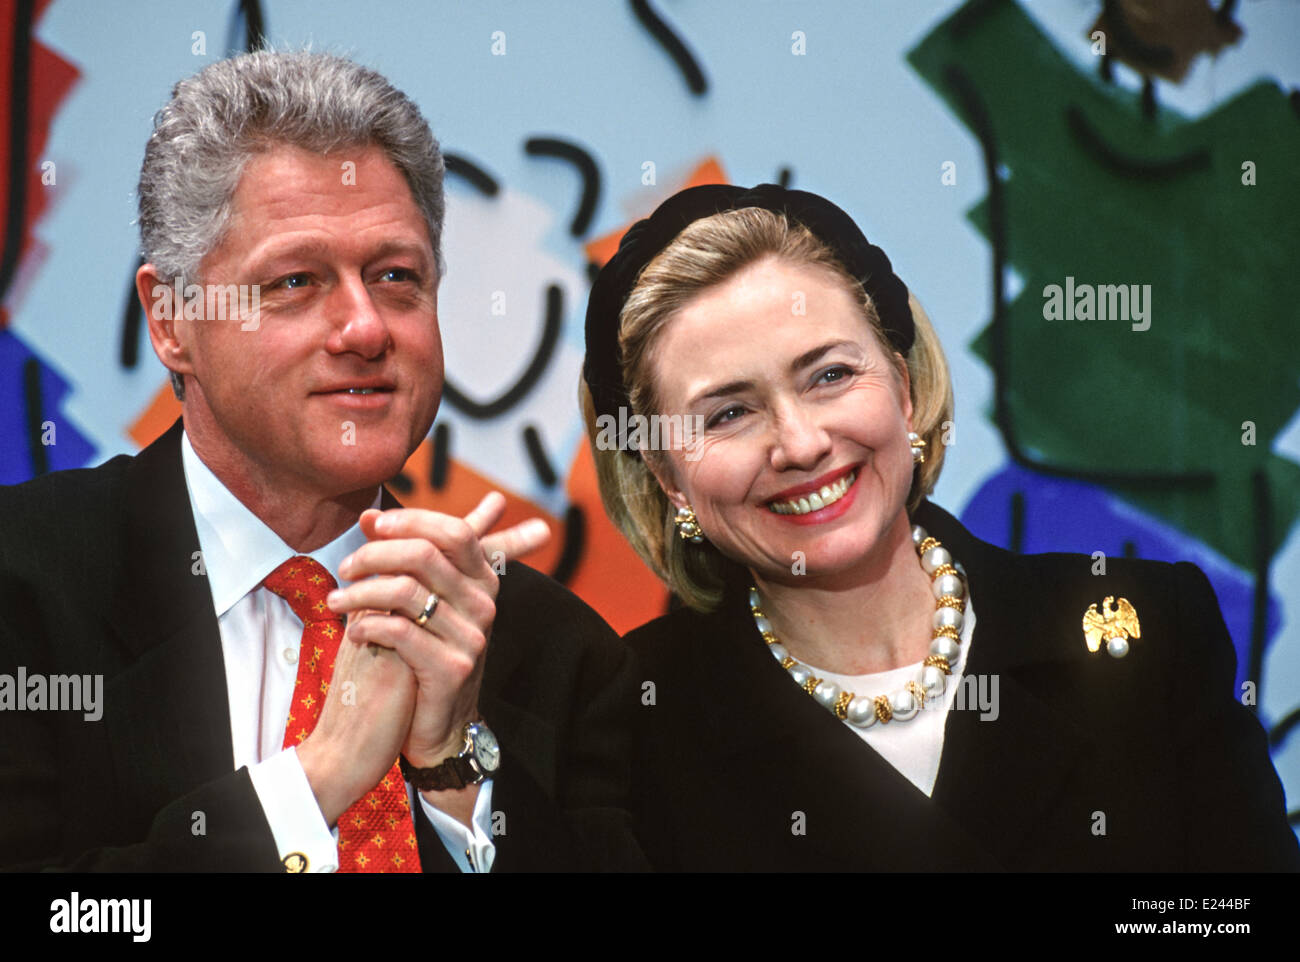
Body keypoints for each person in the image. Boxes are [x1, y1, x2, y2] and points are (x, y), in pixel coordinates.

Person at [0, 50, 642, 873]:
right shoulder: (25, 589)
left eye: (397, 276)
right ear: (171, 322)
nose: (367, 328)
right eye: (297, 281)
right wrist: (317, 782)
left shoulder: (554, 650)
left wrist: (452, 775)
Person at [581, 183, 1300, 871]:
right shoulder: (626, 725)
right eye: (727, 414)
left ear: (902, 380)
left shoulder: (1146, 627)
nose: (799, 444)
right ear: (666, 474)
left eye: (829, 375)